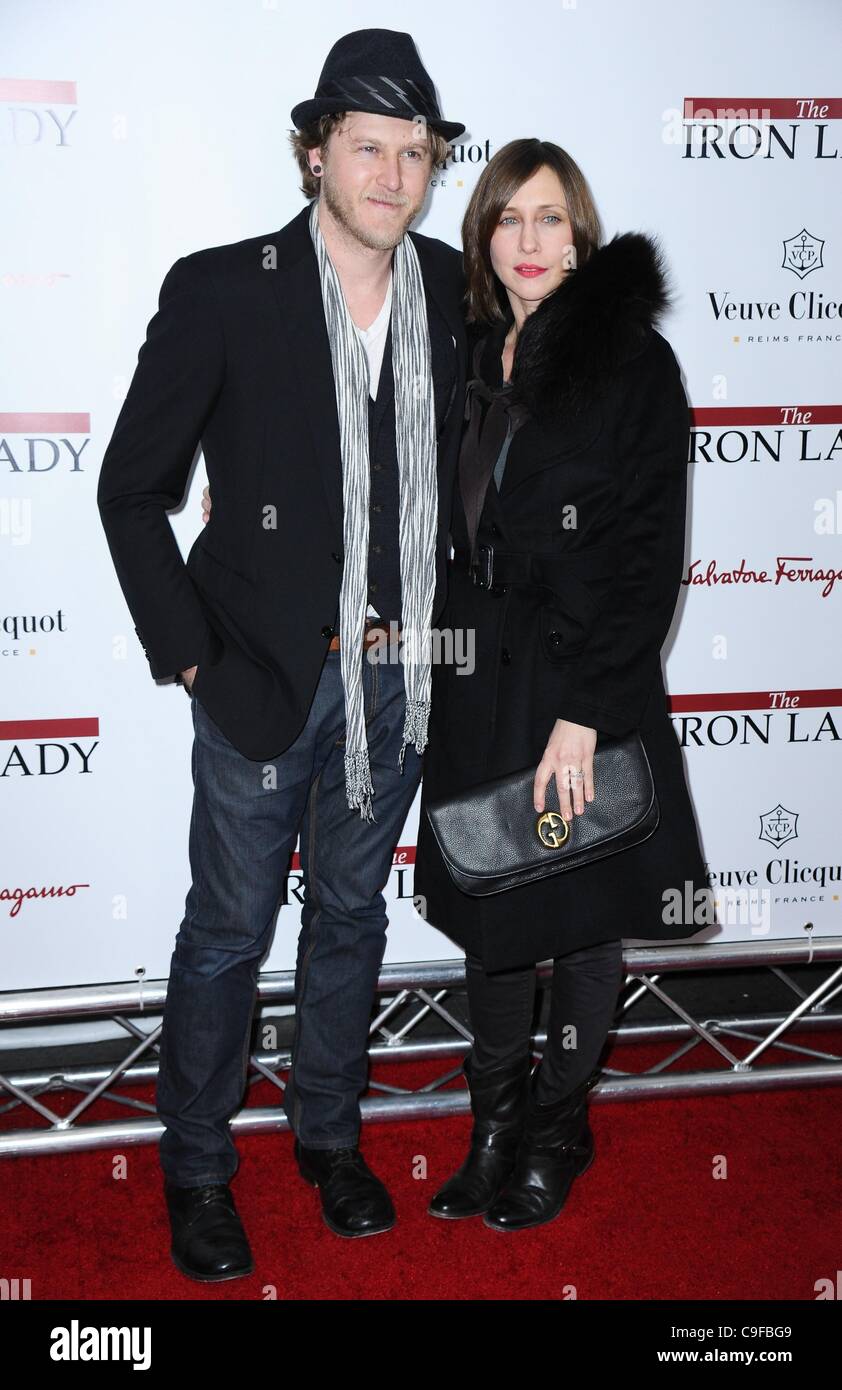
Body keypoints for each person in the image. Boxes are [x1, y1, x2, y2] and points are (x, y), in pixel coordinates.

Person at [96, 28, 468, 1279]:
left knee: (352, 915)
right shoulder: (222, 288)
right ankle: (198, 1168)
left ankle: (327, 1138)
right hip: (257, 679)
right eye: (367, 148)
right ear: (315, 154)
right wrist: (194, 658)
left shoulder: (455, 297)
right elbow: (131, 489)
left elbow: (480, 491)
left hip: (394, 680)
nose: (392, 174)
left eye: (414, 153)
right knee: (227, 931)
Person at [412, 139, 715, 1232]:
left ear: (578, 233)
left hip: (582, 679)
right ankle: (489, 1124)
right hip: (475, 672)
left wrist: (584, 713)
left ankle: (555, 1125)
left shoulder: (631, 362)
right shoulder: (467, 349)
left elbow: (647, 558)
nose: (528, 242)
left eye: (549, 220)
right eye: (508, 220)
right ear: (482, 236)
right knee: (493, 916)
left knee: (582, 920)